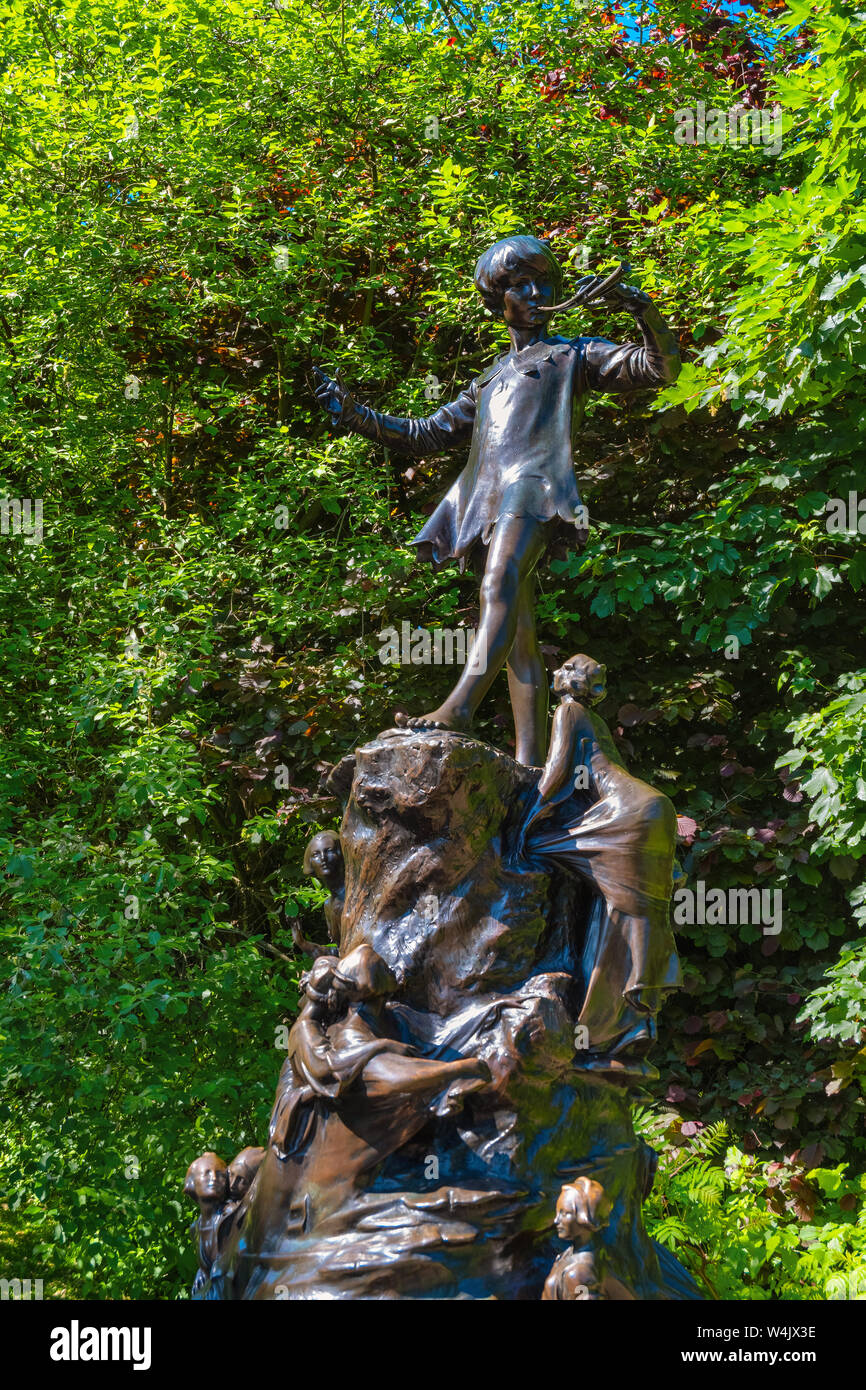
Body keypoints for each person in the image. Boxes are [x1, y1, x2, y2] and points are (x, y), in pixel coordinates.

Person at [313, 235, 679, 766]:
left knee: (498, 581)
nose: (534, 293)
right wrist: (352, 413)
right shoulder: (488, 381)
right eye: (518, 286)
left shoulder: (572, 354)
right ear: (495, 300)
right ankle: (529, 765)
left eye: (542, 283)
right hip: (485, 499)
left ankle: (460, 707)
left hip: (535, 488)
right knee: (521, 636)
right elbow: (423, 433)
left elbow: (658, 369)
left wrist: (644, 312)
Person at [519, 654, 680, 1069]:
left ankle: (604, 1033)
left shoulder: (569, 711)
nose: (554, 671)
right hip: (653, 810)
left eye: (564, 666)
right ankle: (633, 1029)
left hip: (625, 815)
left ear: (570, 679)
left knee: (536, 849)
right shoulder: (595, 719)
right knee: (634, 916)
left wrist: (525, 819)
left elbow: (556, 774)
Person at [542, 1178, 634, 1300]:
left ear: (585, 1218)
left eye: (565, 1213)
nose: (556, 1220)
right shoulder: (573, 1255)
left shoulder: (582, 1271)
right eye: (558, 1213)